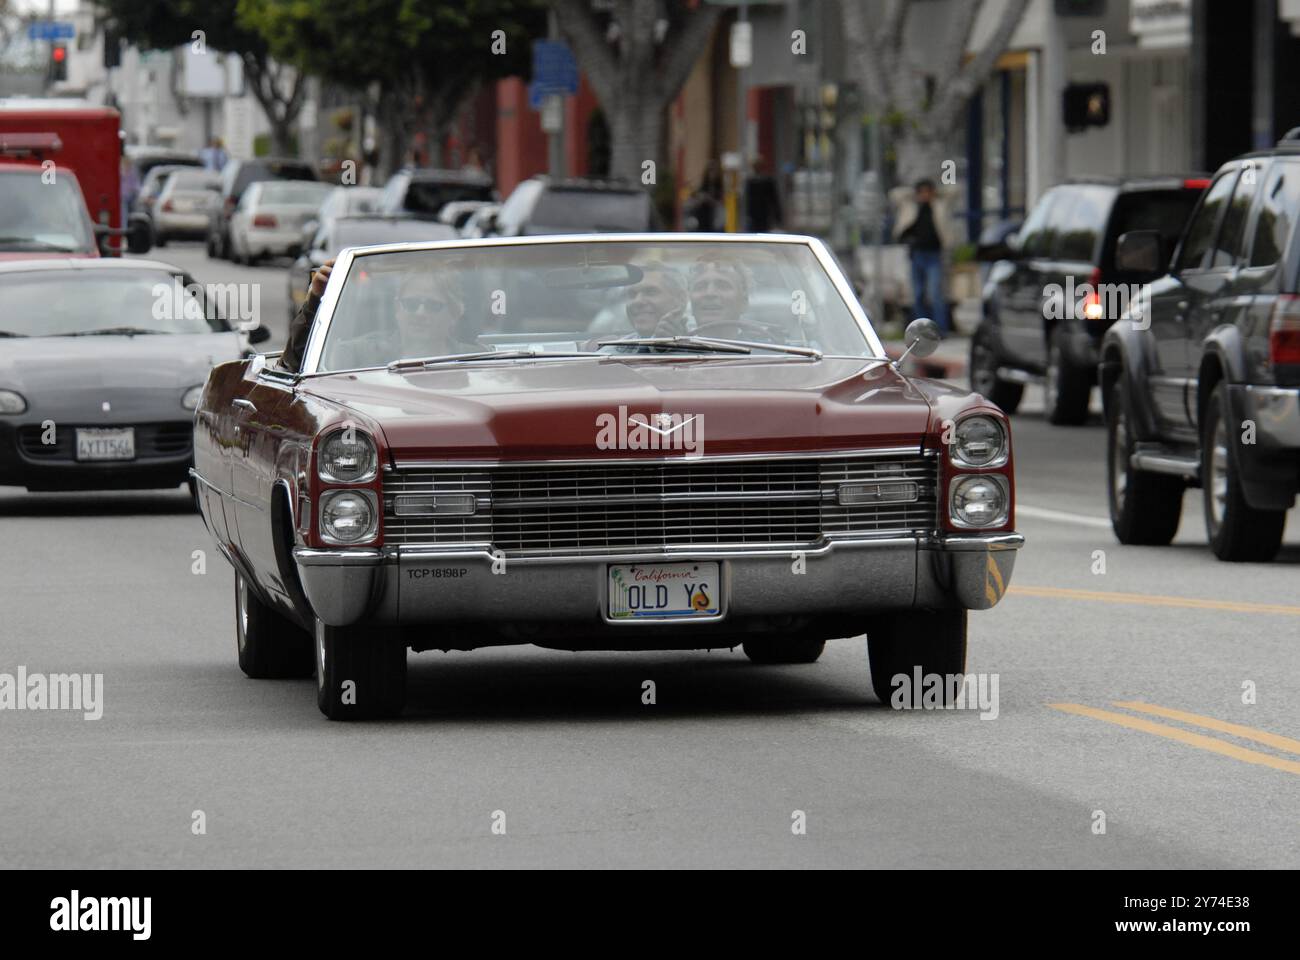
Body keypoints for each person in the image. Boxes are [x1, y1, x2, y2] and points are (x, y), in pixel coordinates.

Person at [892, 178, 955, 335]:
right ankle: (921, 329)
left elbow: (955, 190)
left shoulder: (939, 205)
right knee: (918, 293)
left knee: (935, 293)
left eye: (928, 192)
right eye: (922, 192)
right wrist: (913, 195)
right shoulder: (911, 206)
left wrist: (937, 193)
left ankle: (940, 329)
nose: (925, 195)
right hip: (917, 254)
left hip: (934, 254)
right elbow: (894, 194)